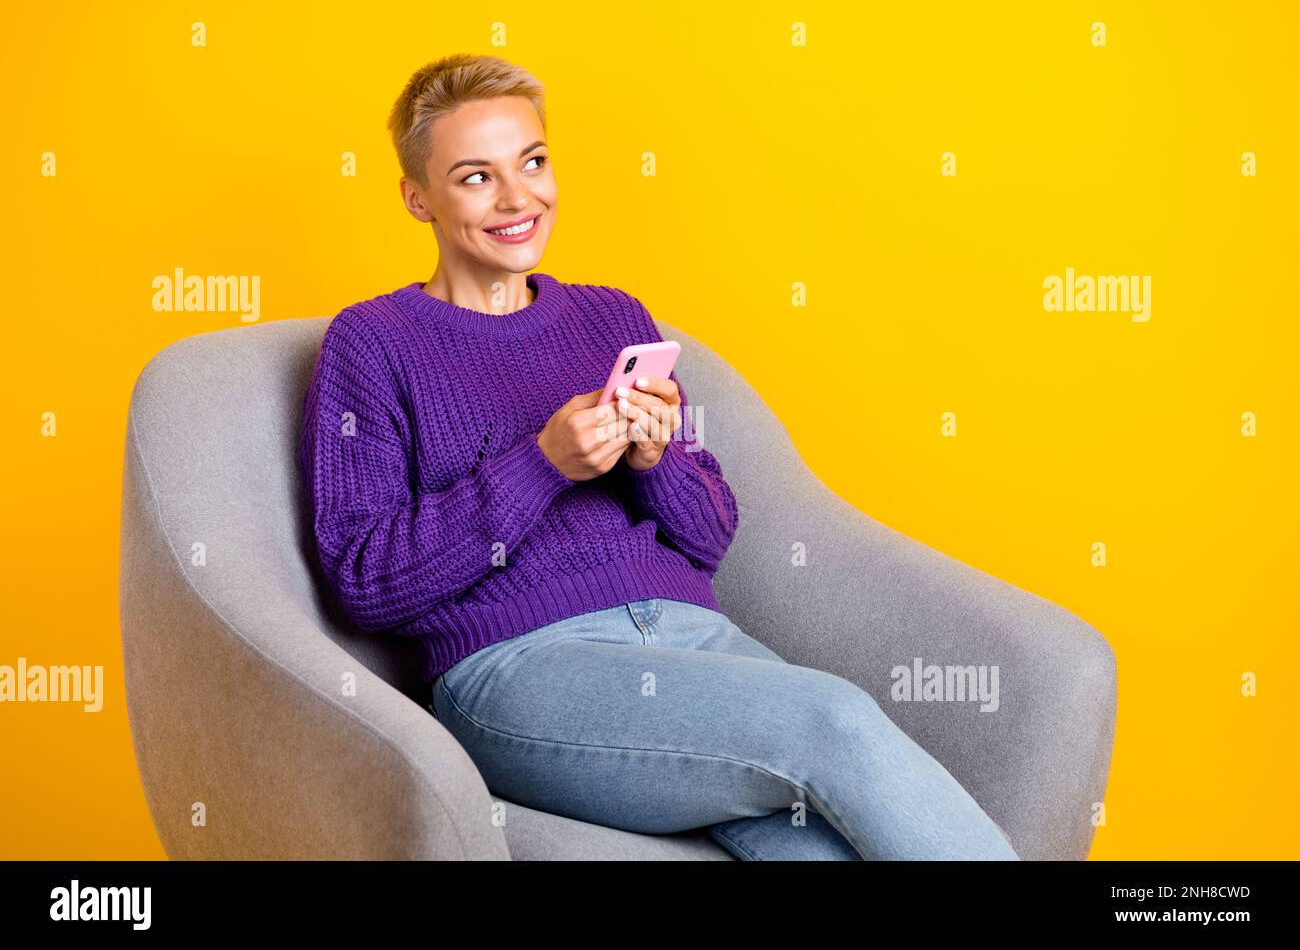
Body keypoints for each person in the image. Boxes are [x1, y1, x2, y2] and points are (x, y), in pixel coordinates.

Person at [296, 52, 1019, 861]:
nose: (518, 198)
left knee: (812, 846)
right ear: (416, 198)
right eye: (476, 177)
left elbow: (709, 537)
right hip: (521, 670)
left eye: (533, 162)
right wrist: (540, 465)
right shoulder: (372, 342)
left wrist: (653, 460)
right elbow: (364, 578)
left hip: (693, 640)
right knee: (834, 718)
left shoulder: (614, 317)